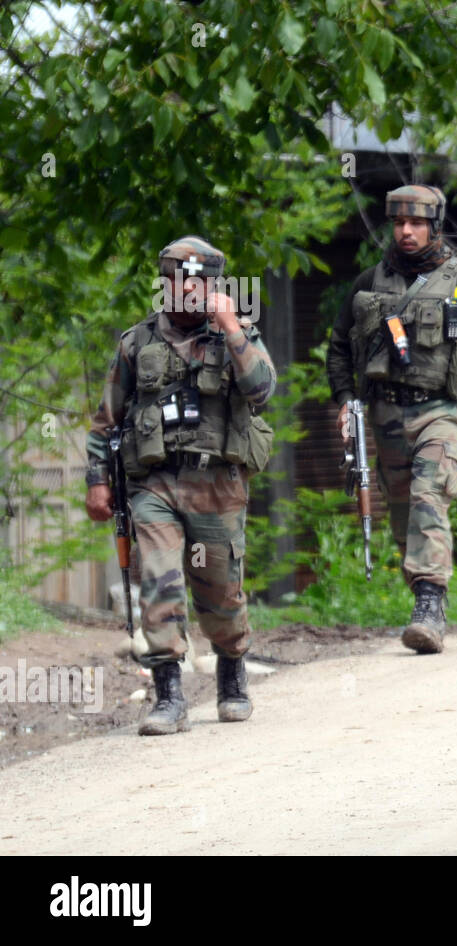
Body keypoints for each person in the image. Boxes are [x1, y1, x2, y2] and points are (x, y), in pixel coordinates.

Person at [85, 236, 276, 735]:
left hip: (217, 483)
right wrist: (96, 483)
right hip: (156, 485)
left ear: (215, 286)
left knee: (221, 588)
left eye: (199, 279)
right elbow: (107, 421)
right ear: (164, 283)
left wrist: (231, 325)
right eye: (178, 278)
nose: (187, 288)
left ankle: (231, 676)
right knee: (159, 583)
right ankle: (168, 695)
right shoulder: (136, 343)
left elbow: (262, 391)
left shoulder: (238, 335)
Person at [326, 184, 457, 653]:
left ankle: (431, 604)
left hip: (441, 411)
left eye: (416, 223)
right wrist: (346, 400)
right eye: (399, 223)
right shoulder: (370, 282)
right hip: (385, 413)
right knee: (402, 515)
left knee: (428, 493)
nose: (406, 231)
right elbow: (338, 347)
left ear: (434, 226)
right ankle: (422, 598)